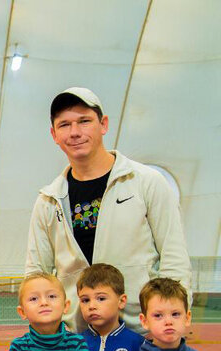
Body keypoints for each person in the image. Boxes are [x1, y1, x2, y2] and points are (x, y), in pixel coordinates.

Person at [26, 87, 192, 331]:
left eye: (84, 121)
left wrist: (170, 325)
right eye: (64, 125)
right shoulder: (48, 200)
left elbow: (174, 257)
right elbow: (36, 275)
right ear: (54, 134)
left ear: (103, 124)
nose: (75, 132)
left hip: (141, 334)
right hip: (77, 339)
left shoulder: (147, 182)